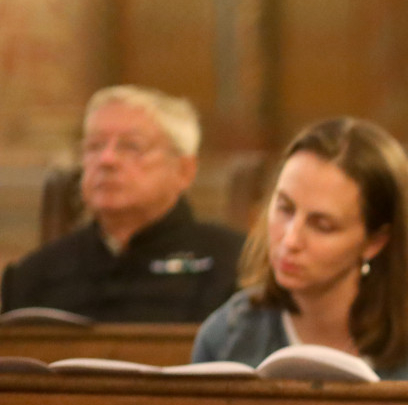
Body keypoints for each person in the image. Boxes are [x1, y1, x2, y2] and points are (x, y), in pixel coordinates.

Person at [193, 117, 408, 380]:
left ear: (375, 242)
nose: (290, 240)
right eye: (284, 208)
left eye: (322, 225)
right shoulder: (228, 334)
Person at [1, 85, 243, 321]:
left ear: (184, 170)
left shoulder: (236, 265)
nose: (107, 160)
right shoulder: (33, 275)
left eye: (131, 146)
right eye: (94, 146)